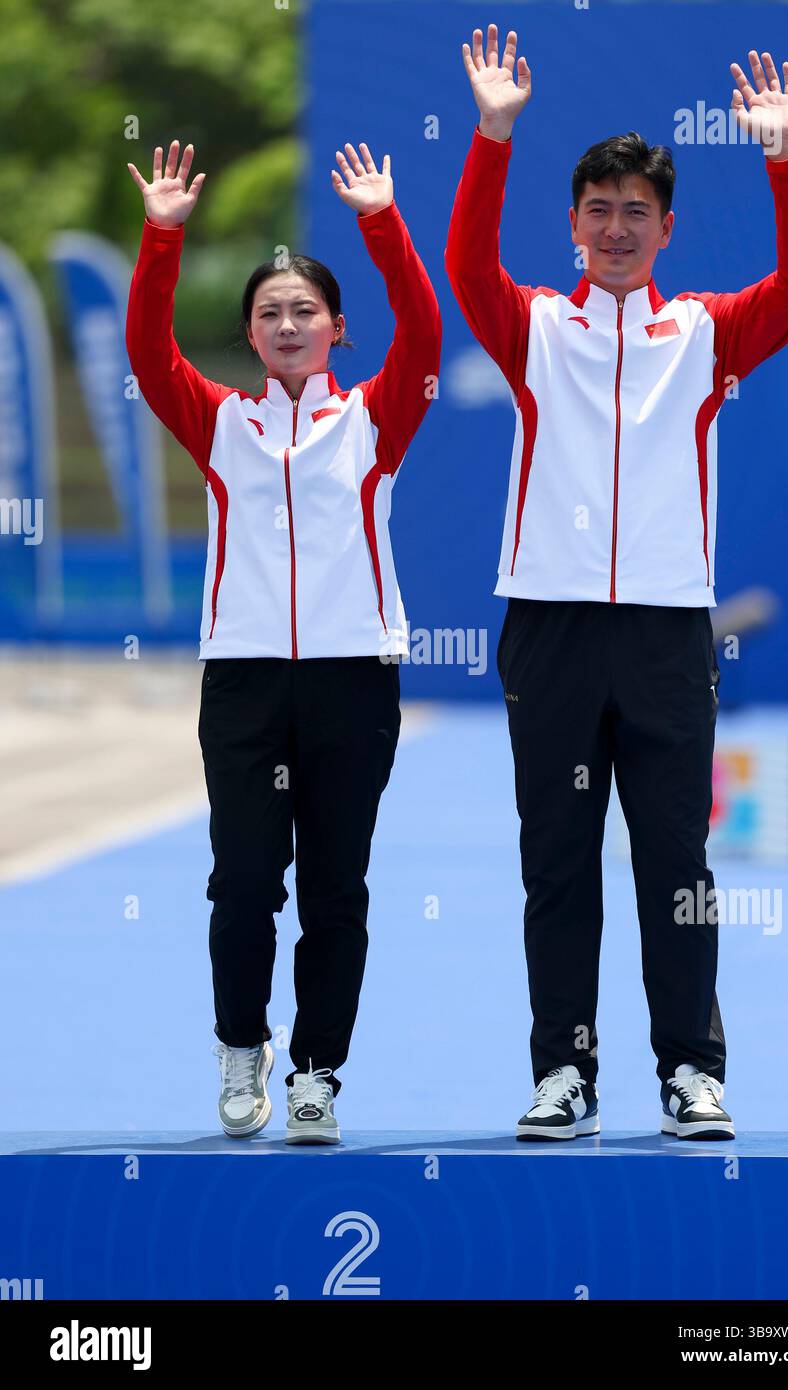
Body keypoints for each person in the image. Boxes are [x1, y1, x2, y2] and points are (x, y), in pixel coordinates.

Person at [445, 28, 788, 1141]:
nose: (615, 230)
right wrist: (492, 134)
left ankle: (689, 1070)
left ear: (665, 230)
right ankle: (563, 1074)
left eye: (636, 214)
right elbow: (467, 263)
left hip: (666, 630)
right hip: (551, 627)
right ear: (571, 226)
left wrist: (782, 157)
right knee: (557, 862)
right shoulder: (531, 327)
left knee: (677, 860)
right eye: (597, 211)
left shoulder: (703, 334)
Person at [126, 138, 441, 1144]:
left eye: (306, 309)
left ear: (337, 330)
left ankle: (315, 1074)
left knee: (335, 885)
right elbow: (146, 352)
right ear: (252, 337)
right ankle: (239, 1047)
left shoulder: (375, 421)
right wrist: (162, 238)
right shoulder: (218, 423)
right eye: (270, 312)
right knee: (245, 880)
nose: (289, 323)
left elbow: (427, 333)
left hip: (352, 679)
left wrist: (383, 223)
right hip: (247, 683)